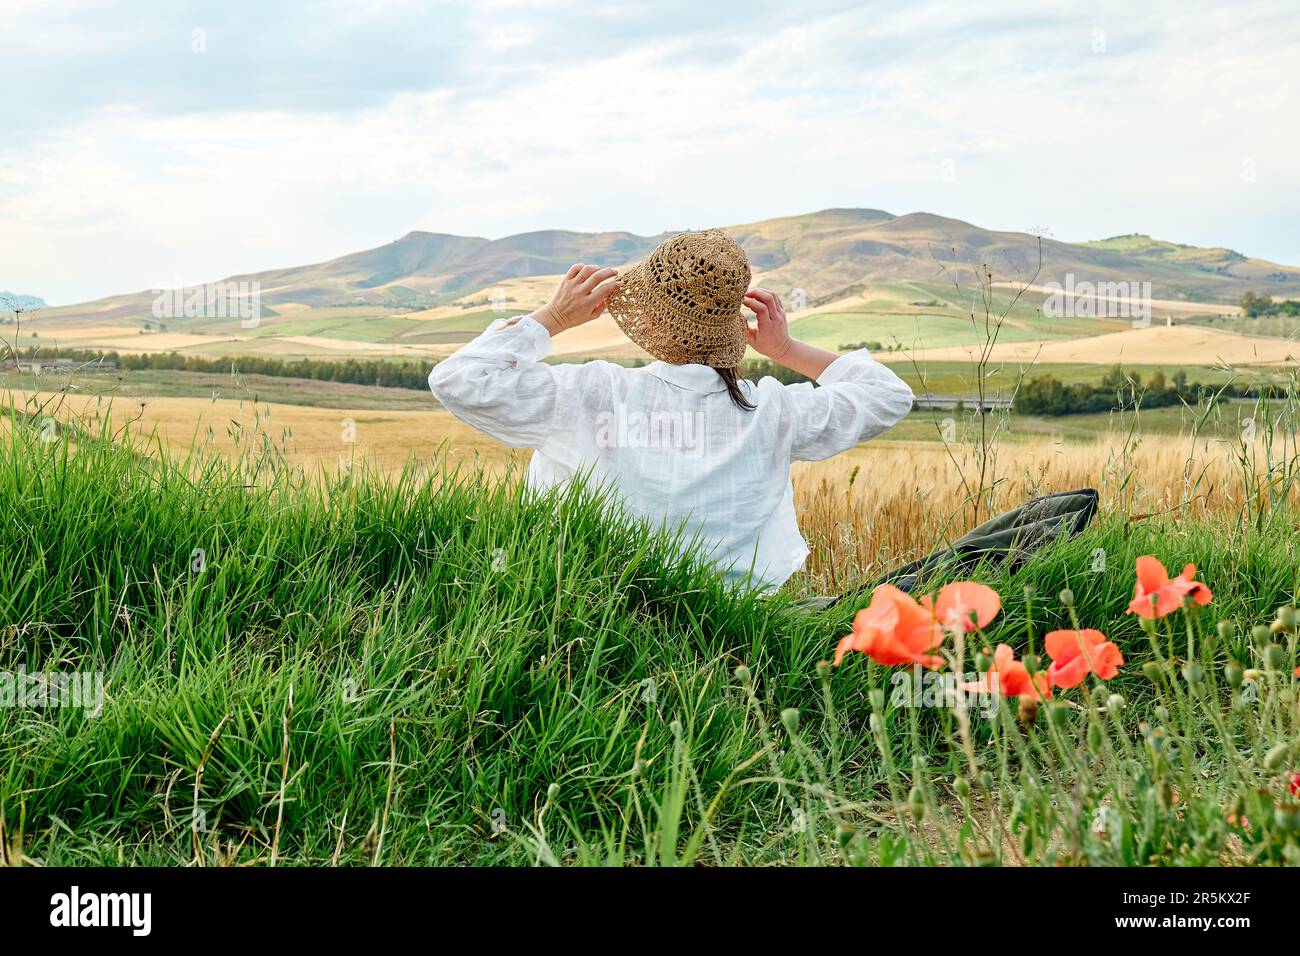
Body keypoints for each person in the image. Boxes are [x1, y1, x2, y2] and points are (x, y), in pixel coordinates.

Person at [428, 229, 914, 590]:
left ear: (654, 323)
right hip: (736, 635)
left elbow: (458, 379)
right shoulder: (773, 410)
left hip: (590, 616)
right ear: (730, 327)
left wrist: (552, 318)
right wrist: (786, 350)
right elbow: (886, 395)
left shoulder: (590, 392)